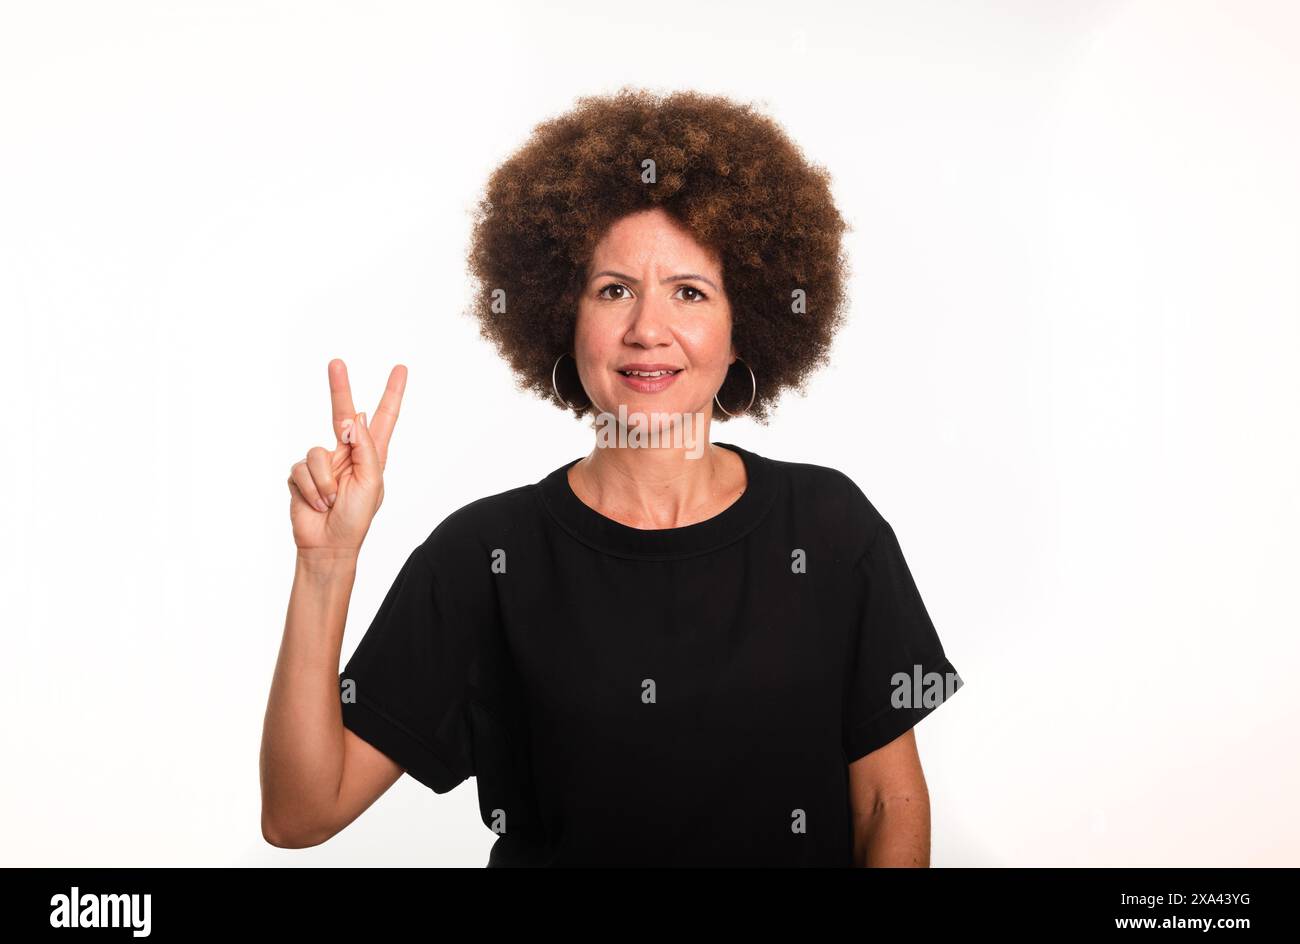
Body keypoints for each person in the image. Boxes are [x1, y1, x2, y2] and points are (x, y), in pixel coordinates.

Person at [260, 88, 963, 866]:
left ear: (744, 328)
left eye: (689, 292)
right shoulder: (485, 556)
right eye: (614, 289)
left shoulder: (832, 528)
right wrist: (326, 566)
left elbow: (886, 802)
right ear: (564, 316)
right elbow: (299, 812)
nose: (646, 330)